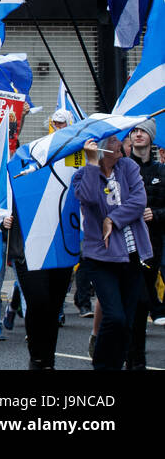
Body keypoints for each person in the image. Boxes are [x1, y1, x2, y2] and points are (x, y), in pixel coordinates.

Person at [75, 133, 153, 370]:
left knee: (127, 322)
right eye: (112, 142)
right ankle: (101, 365)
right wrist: (90, 163)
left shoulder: (127, 166)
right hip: (101, 257)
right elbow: (88, 198)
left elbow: (139, 200)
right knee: (115, 317)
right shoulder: (83, 174)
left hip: (132, 254)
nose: (120, 144)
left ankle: (115, 366)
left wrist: (112, 218)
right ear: (100, 149)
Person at [127, 119, 165, 369]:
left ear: (151, 138)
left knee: (141, 303)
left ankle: (135, 359)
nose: (139, 135)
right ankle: (129, 356)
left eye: (144, 131)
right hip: (126, 245)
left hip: (152, 246)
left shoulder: (161, 172)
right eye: (135, 131)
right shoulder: (122, 168)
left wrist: (157, 214)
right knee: (133, 302)